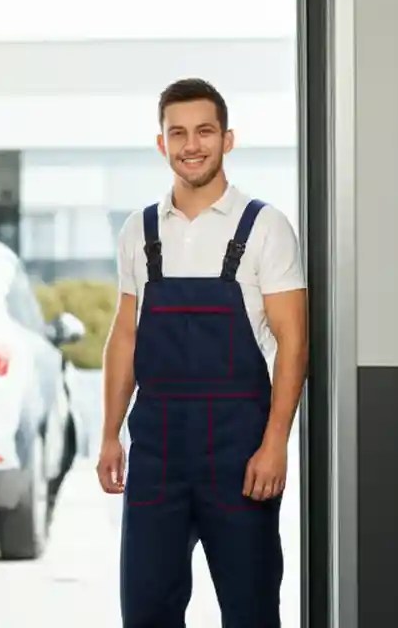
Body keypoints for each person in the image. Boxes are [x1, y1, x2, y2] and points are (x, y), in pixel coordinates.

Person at [96, 78, 308, 627]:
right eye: (178, 133)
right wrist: (108, 433)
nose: (192, 145)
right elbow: (125, 336)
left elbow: (294, 342)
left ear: (227, 139)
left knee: (251, 608)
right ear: (162, 143)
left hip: (239, 453)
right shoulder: (139, 231)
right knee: (146, 611)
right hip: (157, 453)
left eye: (205, 131)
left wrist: (276, 444)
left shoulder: (265, 227)